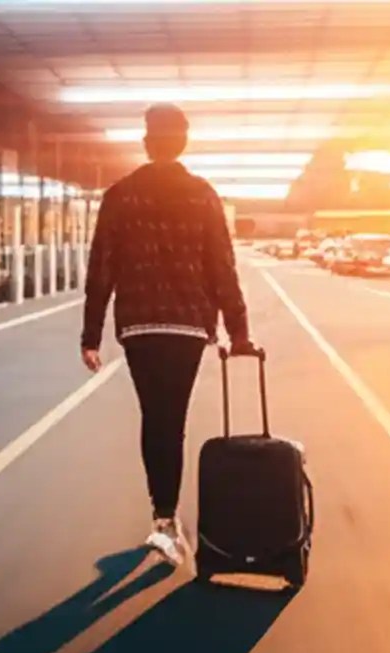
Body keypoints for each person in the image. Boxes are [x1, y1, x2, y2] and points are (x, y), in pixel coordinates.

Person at [80, 103, 258, 567]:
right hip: (186, 326)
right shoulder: (202, 195)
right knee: (171, 420)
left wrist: (91, 335)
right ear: (183, 143)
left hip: (138, 325)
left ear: (146, 142)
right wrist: (237, 331)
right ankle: (166, 521)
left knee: (152, 416)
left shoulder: (120, 195)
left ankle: (163, 518)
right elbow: (222, 266)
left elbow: (101, 267)